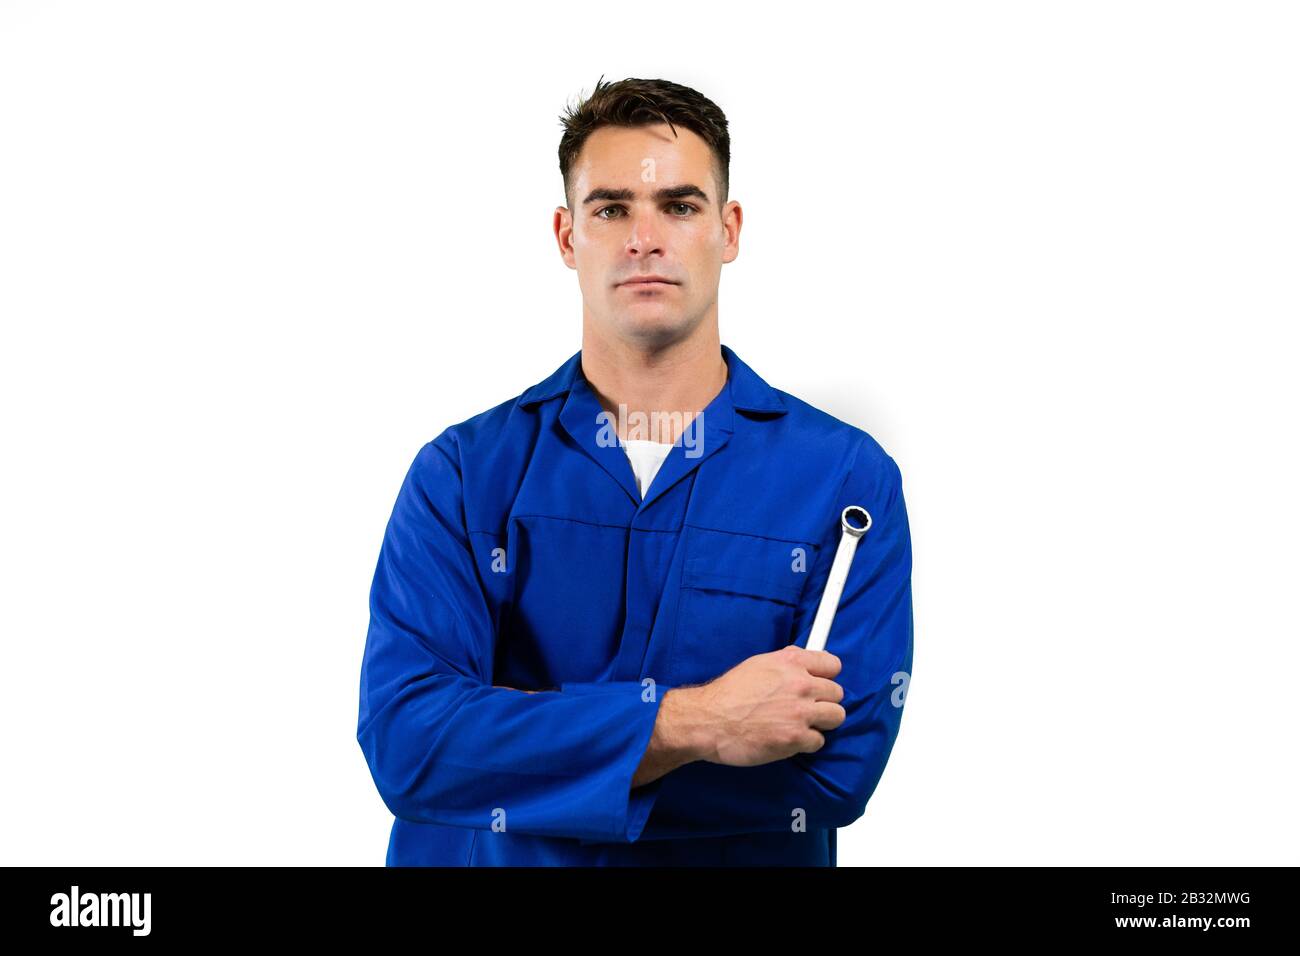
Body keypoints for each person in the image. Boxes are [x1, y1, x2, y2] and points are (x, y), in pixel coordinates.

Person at [355, 76, 914, 866]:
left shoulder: (843, 482)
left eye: (679, 207)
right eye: (611, 208)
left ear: (729, 230)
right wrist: (699, 724)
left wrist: (517, 737)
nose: (643, 238)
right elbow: (410, 745)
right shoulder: (461, 477)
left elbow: (833, 773)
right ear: (564, 234)